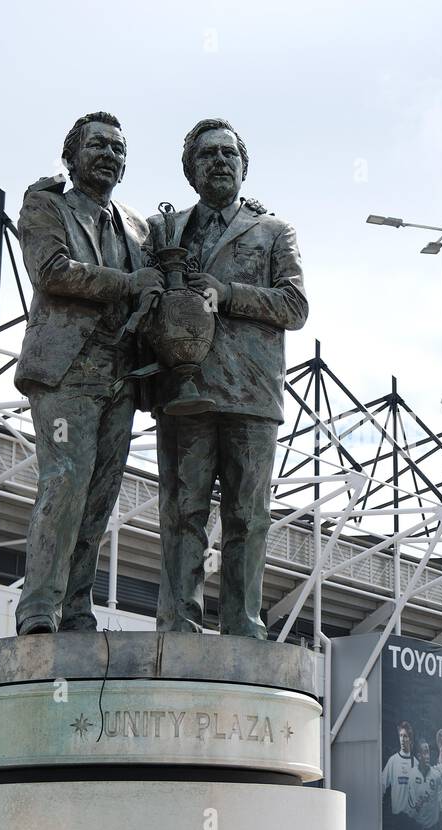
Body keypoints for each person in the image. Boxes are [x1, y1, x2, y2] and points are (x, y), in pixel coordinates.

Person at [148, 117, 308, 639]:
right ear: (190, 172)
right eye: (207, 155)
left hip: (251, 394)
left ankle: (243, 624)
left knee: (248, 517)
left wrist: (229, 292)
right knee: (181, 512)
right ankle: (179, 624)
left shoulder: (274, 231)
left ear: (243, 167)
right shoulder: (164, 230)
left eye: (228, 154)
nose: (219, 162)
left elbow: (295, 305)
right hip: (183, 393)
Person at [12, 111, 162, 635]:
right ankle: (39, 607)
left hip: (121, 375)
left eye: (118, 149)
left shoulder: (138, 225)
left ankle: (76, 608)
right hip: (67, 370)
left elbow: (169, 266)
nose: (109, 155)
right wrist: (129, 283)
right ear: (71, 155)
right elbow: (52, 272)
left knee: (100, 495)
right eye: (97, 145)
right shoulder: (44, 204)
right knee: (66, 481)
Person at [380, 720, 420, 830]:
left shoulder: (416, 764)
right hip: (396, 821)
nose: (402, 739)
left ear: (410, 738)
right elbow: (381, 786)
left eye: (405, 736)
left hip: (411, 822)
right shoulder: (393, 761)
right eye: (400, 736)